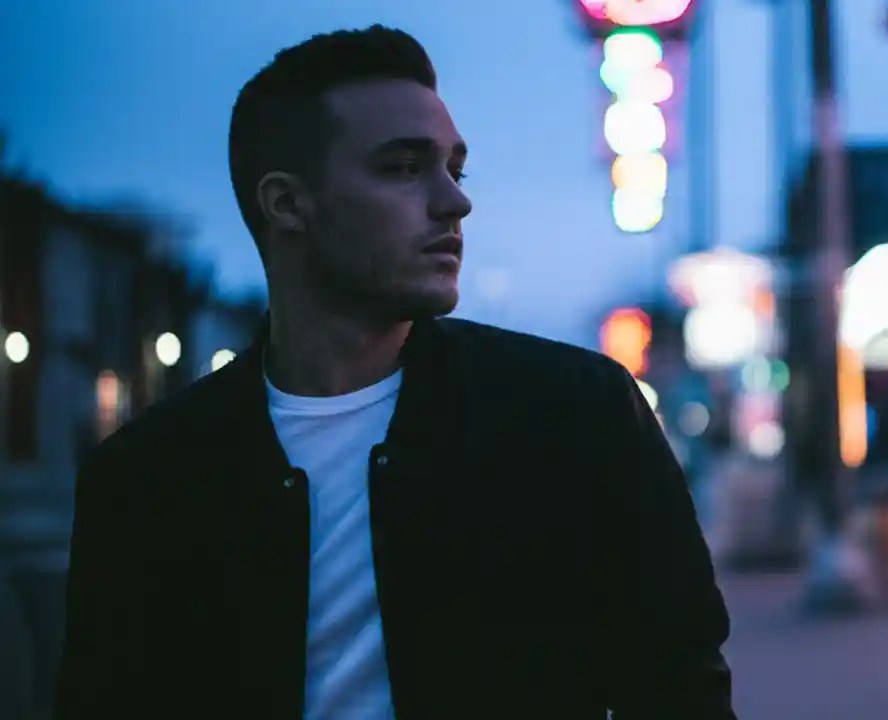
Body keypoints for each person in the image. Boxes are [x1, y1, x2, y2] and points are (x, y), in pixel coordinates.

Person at [55, 25, 735, 719]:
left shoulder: (577, 416)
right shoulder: (146, 480)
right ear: (288, 204)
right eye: (404, 168)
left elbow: (681, 684)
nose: (454, 202)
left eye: (454, 169)